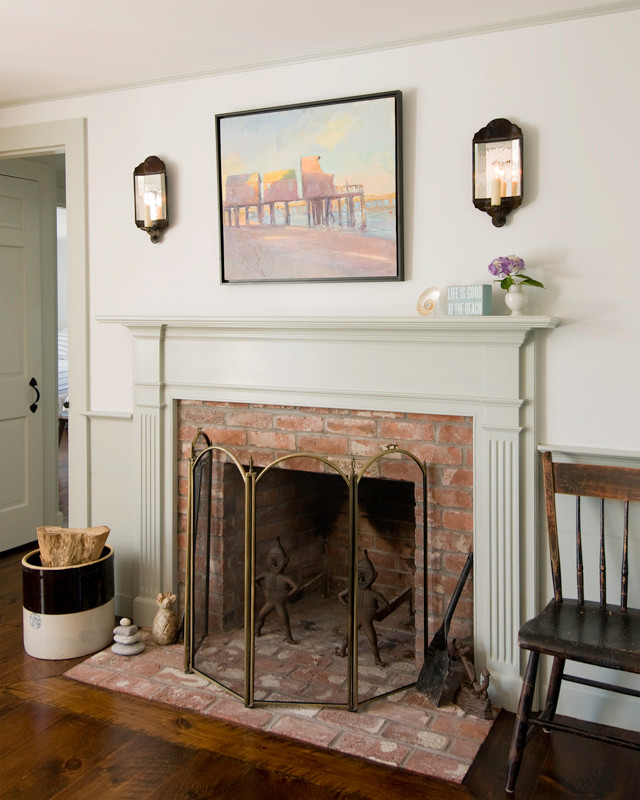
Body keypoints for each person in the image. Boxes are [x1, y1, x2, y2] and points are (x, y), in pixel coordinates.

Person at [338, 549, 388, 666]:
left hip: (362, 618)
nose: (362, 579)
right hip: (361, 618)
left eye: (365, 575)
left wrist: (376, 612)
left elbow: (340, 596)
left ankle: (376, 659)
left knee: (369, 639)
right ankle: (343, 651)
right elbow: (386, 603)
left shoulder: (366, 592)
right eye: (359, 574)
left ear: (374, 576)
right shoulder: (360, 591)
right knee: (358, 636)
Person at [255, 537, 298, 644]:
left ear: (285, 561)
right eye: (271, 560)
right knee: (261, 616)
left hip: (279, 603)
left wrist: (288, 595)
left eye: (277, 560)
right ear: (267, 559)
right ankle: (257, 631)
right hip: (269, 602)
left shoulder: (284, 578)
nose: (274, 564)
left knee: (285, 621)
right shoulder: (266, 574)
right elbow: (254, 580)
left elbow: (295, 587)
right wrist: (260, 588)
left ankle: (289, 638)